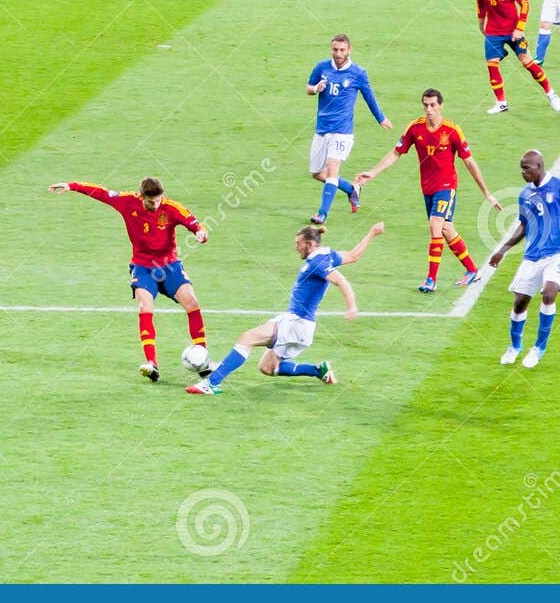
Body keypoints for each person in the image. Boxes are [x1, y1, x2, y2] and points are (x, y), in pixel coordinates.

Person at [186, 222, 384, 395]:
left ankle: (211, 383)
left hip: (297, 322)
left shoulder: (318, 262)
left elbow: (341, 281)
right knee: (267, 367)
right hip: (300, 325)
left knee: (247, 337)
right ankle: (318, 370)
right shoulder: (327, 255)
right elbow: (353, 256)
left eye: (299, 243)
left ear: (310, 244)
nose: (296, 248)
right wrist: (372, 233)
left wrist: (352, 306)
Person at [48, 177, 210, 381]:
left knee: (192, 302)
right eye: (151, 202)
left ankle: (202, 358)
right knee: (144, 306)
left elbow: (196, 225)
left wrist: (201, 234)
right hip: (143, 267)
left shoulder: (172, 208)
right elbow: (101, 193)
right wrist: (72, 186)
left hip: (169, 266)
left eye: (158, 200)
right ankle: (152, 364)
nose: (155, 205)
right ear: (141, 196)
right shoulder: (127, 201)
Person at [354, 89, 501, 293]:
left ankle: (431, 279)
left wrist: (486, 192)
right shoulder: (415, 128)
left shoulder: (452, 130)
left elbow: (469, 162)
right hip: (427, 188)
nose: (429, 109)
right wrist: (373, 172)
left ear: (441, 106)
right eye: (425, 105)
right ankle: (472, 270)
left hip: (447, 187)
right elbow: (396, 153)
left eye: (433, 105)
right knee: (446, 229)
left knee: (435, 225)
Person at [489, 149, 560, 369]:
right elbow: (524, 226)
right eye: (521, 168)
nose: (523, 172)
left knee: (549, 293)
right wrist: (502, 250)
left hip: (558, 252)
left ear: (539, 167)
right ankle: (515, 347)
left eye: (526, 168)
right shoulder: (525, 194)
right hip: (532, 255)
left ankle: (539, 348)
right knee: (519, 303)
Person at [305, 33, 392, 224]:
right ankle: (351, 189)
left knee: (332, 169)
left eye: (342, 50)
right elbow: (308, 88)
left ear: (349, 50)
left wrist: (381, 118)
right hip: (322, 129)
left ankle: (322, 214)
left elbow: (369, 97)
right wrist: (316, 88)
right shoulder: (322, 67)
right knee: (317, 173)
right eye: (335, 49)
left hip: (342, 132)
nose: (338, 53)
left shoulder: (358, 73)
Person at [476, 0, 560, 115]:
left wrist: (519, 28)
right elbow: (480, 5)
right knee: (492, 65)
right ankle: (501, 103)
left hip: (513, 31)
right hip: (493, 32)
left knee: (528, 62)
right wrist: (481, 24)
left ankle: (550, 93)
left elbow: (525, 3)